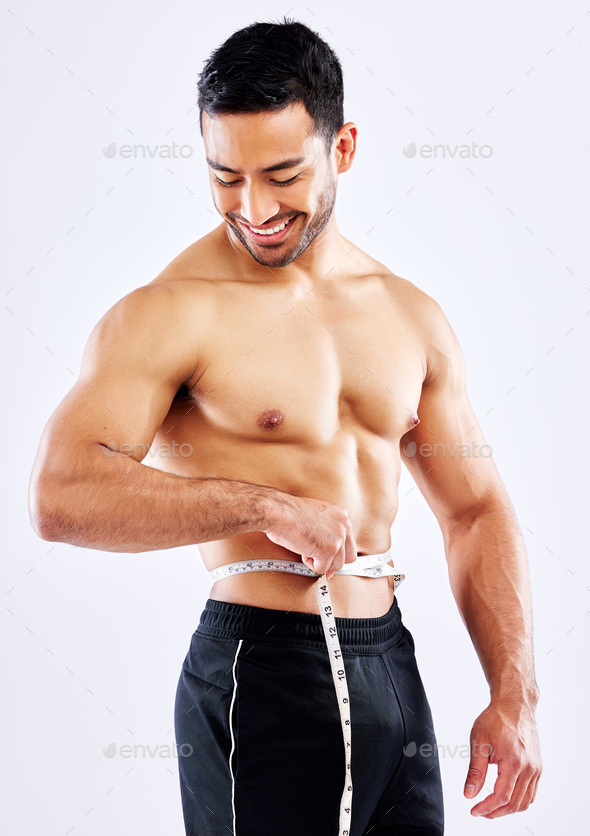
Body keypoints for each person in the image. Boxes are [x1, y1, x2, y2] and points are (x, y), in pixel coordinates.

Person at [28, 16, 542, 836]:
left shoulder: (411, 317)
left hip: (392, 667)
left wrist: (514, 694)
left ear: (342, 150)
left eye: (281, 174)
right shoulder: (169, 313)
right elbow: (60, 494)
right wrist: (261, 508)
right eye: (225, 176)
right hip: (259, 671)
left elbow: (475, 509)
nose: (254, 207)